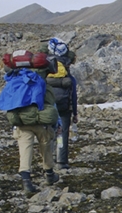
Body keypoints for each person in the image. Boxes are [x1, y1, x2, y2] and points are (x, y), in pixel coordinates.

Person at [0, 48, 60, 193]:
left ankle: (26, 181)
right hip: (40, 121)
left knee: (25, 149)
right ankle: (49, 175)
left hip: (21, 121)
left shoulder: (14, 79)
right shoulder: (41, 82)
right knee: (46, 146)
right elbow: (51, 103)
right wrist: (57, 124)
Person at [45, 37, 78, 169]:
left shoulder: (46, 67)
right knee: (62, 132)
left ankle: (49, 160)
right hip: (64, 106)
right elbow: (73, 95)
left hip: (48, 105)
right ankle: (61, 161)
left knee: (48, 132)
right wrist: (75, 113)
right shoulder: (67, 72)